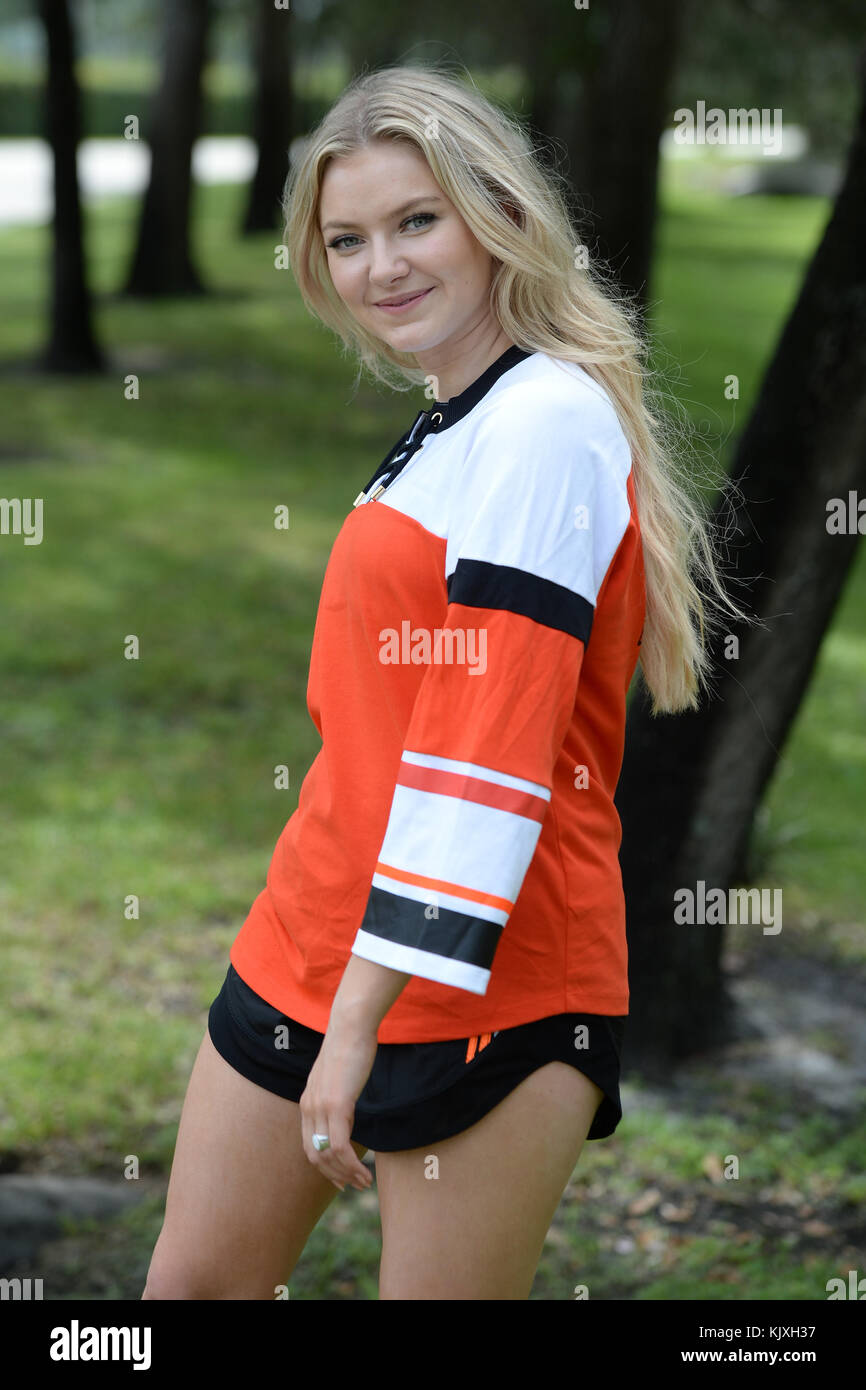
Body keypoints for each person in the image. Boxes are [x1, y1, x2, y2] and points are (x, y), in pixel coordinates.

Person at [142, 62, 749, 1302]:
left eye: (417, 221)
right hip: (305, 942)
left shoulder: (542, 421)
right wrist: (331, 991)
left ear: (496, 218)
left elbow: (486, 746)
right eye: (348, 238)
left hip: (494, 982)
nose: (383, 266)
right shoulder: (450, 417)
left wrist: (357, 1020)